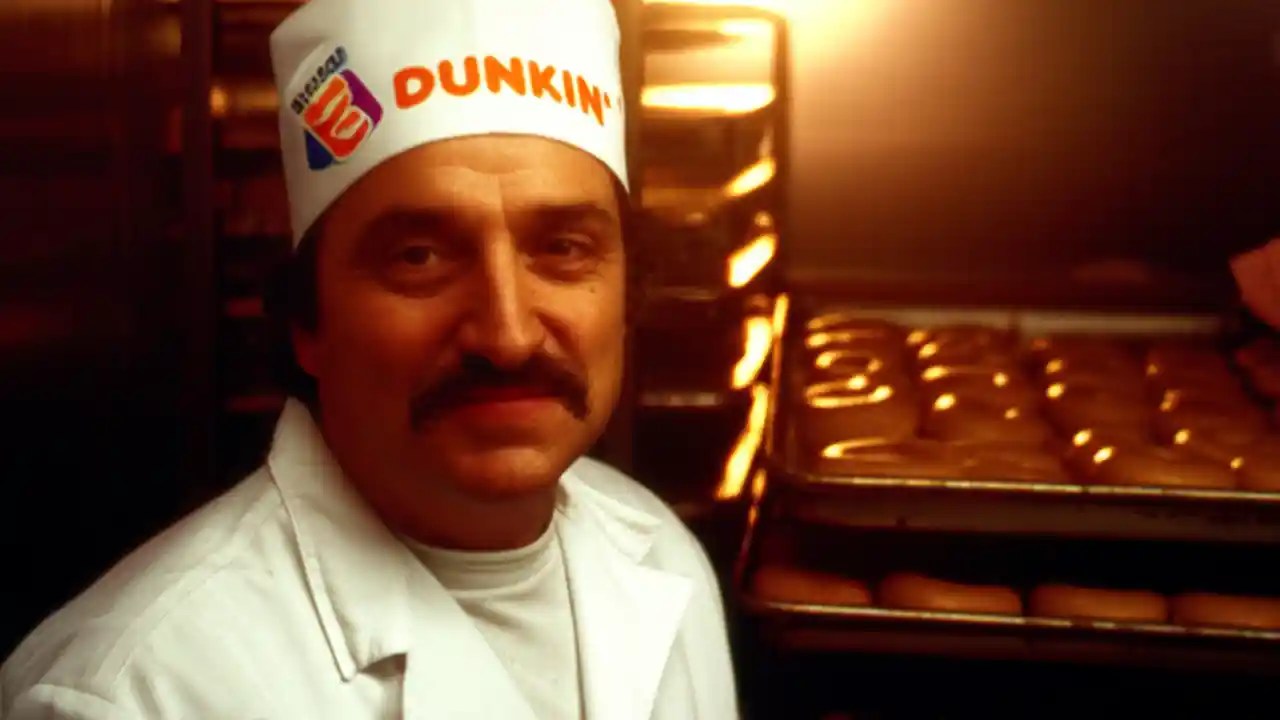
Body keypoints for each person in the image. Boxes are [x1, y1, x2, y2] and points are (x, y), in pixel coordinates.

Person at [0, 0, 739, 717]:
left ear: (624, 293)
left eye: (564, 248)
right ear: (307, 323)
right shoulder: (135, 693)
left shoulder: (662, 558)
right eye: (419, 257)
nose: (508, 334)